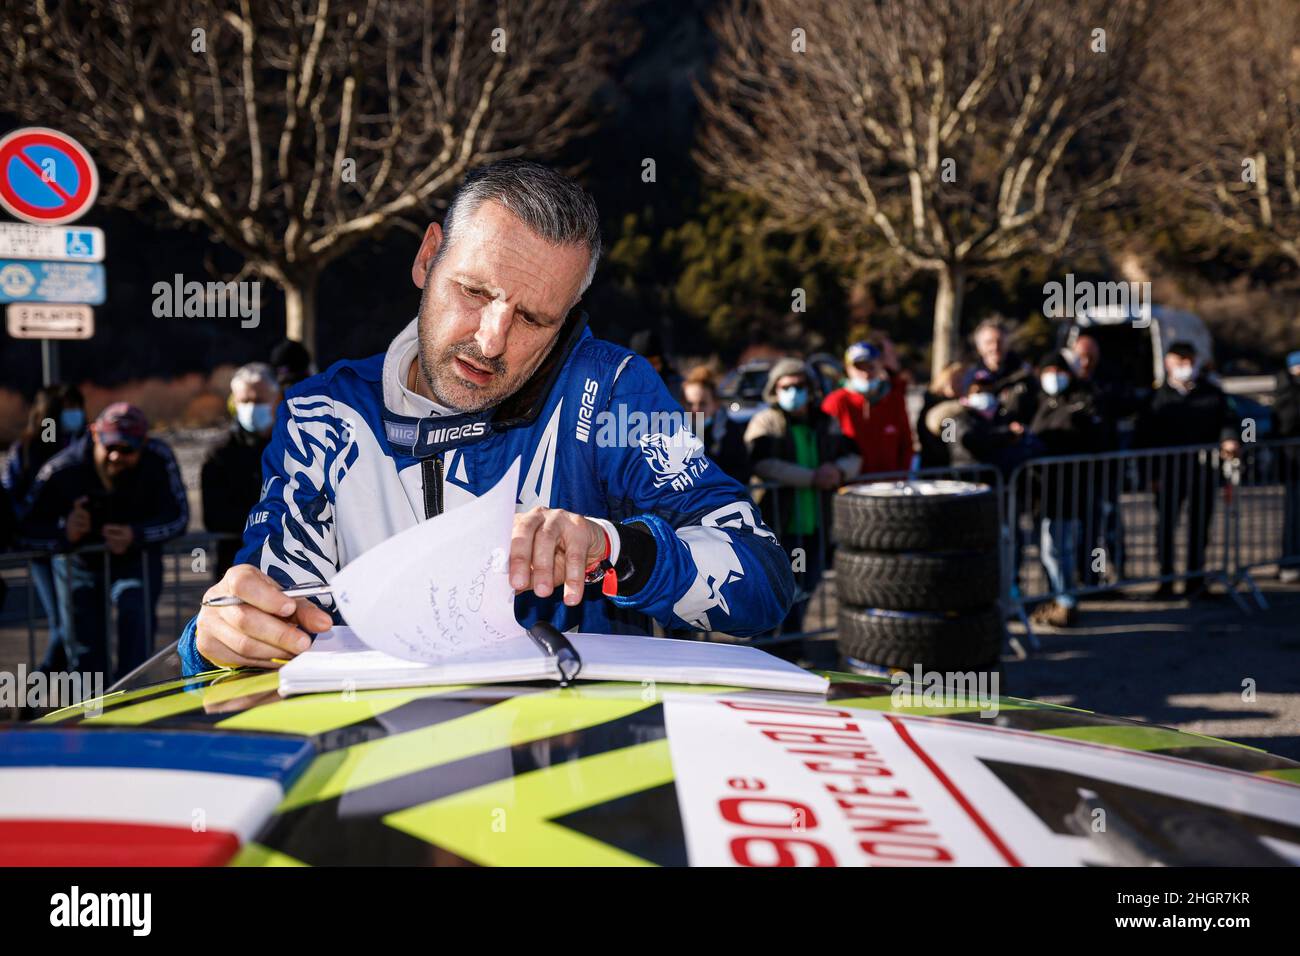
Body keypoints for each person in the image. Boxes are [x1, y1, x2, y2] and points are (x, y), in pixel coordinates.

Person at [181, 160, 795, 674]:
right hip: (372, 767)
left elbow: (764, 582)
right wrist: (209, 641)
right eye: (473, 292)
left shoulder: (607, 389)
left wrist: (615, 547)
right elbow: (261, 615)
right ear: (427, 259)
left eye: (534, 320)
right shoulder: (326, 413)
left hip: (562, 766)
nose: (492, 339)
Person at [17, 403, 189, 679]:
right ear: (95, 435)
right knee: (84, 654)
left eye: (128, 450)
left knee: (136, 633)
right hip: (79, 566)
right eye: (110, 446)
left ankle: (129, 709)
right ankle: (89, 715)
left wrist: (137, 534)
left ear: (144, 442)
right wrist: (65, 532)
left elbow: (179, 517)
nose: (116, 456)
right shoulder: (61, 468)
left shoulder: (159, 457)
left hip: (136, 562)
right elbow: (24, 530)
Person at [745, 358, 858, 640]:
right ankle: (765, 645)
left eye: (799, 385)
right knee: (772, 587)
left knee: (805, 587)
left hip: (815, 522)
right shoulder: (765, 420)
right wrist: (810, 478)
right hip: (777, 522)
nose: (793, 391)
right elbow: (761, 462)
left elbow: (854, 454)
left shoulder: (825, 422)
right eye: (786, 386)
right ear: (775, 389)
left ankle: (792, 643)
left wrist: (839, 471)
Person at [1135, 342, 1240, 600]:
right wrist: (1150, 476)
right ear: (1168, 363)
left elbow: (1229, 421)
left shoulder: (1212, 393)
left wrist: (1230, 439)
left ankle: (1195, 579)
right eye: (1178, 361)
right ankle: (1166, 578)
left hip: (1202, 472)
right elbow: (1143, 438)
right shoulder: (1156, 398)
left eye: (1188, 361)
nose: (1185, 366)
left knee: (1199, 527)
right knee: (1166, 527)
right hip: (1168, 473)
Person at [2, 384, 86, 672]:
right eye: (66, 408)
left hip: (79, 547)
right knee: (64, 628)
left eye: (76, 407)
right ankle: (33, 693)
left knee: (73, 628)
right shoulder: (26, 451)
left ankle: (38, 694)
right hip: (43, 548)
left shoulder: (85, 444)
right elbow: (13, 501)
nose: (74, 414)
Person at [1024, 351, 1104, 627]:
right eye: (1048, 371)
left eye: (1059, 371)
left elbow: (1087, 436)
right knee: (1049, 548)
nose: (1053, 377)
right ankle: (1058, 597)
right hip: (1041, 491)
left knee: (1056, 548)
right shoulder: (1041, 402)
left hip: (1066, 490)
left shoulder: (1080, 401)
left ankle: (1066, 599)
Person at [202, 363, 283, 576]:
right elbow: (214, 517)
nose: (251, 407)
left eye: (258, 401)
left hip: (289, 565)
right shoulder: (219, 453)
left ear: (276, 401)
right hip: (235, 565)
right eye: (245, 401)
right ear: (234, 403)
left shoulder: (291, 445)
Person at [1072, 333, 1139, 588]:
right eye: (1081, 356)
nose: (1086, 362)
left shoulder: (1109, 381)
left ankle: (1118, 571)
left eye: (1090, 356)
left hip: (1106, 465)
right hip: (1078, 468)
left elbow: (1128, 404)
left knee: (1110, 521)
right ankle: (1090, 576)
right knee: (1086, 527)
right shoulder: (1071, 384)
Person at [821, 339, 913, 476]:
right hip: (851, 487)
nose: (865, 373)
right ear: (848, 369)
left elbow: (905, 443)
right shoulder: (836, 401)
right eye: (859, 367)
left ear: (881, 365)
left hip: (890, 485)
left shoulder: (894, 399)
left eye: (871, 366)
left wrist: (901, 476)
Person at [681, 366, 750, 485]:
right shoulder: (673, 432)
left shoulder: (729, 431)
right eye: (689, 403)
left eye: (702, 404)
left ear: (715, 404)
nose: (695, 410)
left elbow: (741, 471)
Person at [968, 317, 1035, 422]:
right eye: (989, 342)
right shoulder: (968, 377)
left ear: (1007, 343)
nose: (995, 347)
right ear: (979, 347)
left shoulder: (1025, 375)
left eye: (1000, 341)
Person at [1274, 348, 1300, 583]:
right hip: (1294, 464)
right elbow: (1286, 422)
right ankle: (1290, 563)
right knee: (1294, 517)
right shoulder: (1287, 393)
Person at [918, 361, 967, 469]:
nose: (960, 384)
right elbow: (948, 441)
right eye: (956, 380)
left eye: (961, 380)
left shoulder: (959, 405)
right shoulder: (940, 409)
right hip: (938, 470)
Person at [629, 329, 684, 403]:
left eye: (654, 363)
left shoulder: (679, 388)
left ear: (662, 362)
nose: (649, 368)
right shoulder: (621, 389)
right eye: (643, 363)